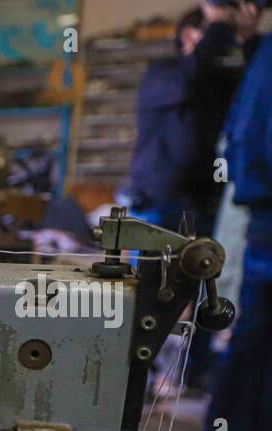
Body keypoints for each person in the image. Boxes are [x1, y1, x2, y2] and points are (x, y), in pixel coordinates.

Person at [126, 1, 262, 391]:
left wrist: (246, 39)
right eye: (216, 36)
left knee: (207, 290)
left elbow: (248, 80)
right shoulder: (163, 74)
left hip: (202, 202)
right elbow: (195, 75)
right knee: (144, 296)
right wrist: (221, 23)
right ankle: (131, 380)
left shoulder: (217, 80)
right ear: (190, 36)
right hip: (156, 200)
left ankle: (191, 375)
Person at [201, 12, 271, 431]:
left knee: (251, 346)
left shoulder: (261, 59)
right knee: (253, 347)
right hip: (264, 219)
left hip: (260, 220)